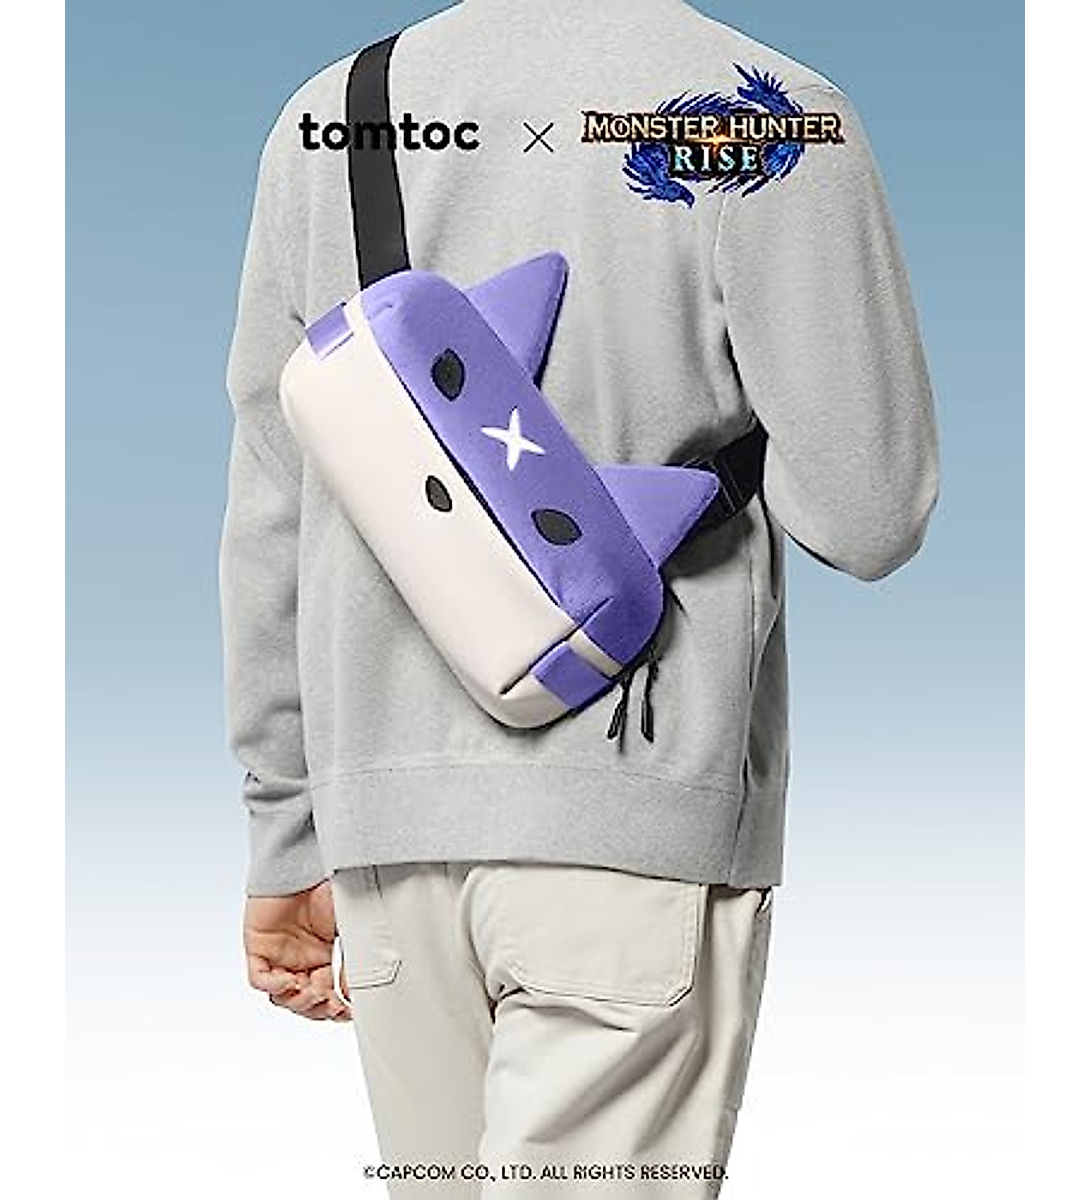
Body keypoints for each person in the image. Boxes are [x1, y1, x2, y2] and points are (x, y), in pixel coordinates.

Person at [219, 0, 940, 1194]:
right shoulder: (769, 117)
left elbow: (272, 512)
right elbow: (869, 514)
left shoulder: (332, 114)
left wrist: (288, 831)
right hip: (629, 814)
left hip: (388, 836)